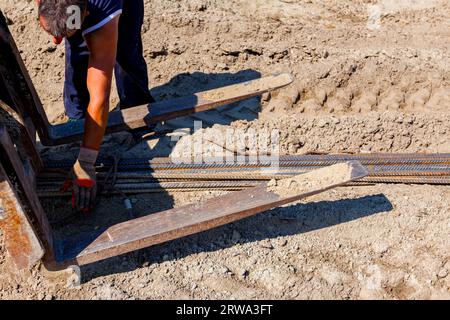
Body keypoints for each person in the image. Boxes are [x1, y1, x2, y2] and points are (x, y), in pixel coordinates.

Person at [37, 0, 153, 212]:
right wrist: (58, 30)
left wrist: (87, 161)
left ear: (87, 11)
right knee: (77, 48)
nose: (55, 42)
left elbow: (100, 96)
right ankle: (78, 117)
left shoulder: (103, 16)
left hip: (107, 7)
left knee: (126, 49)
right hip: (73, 10)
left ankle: (136, 110)